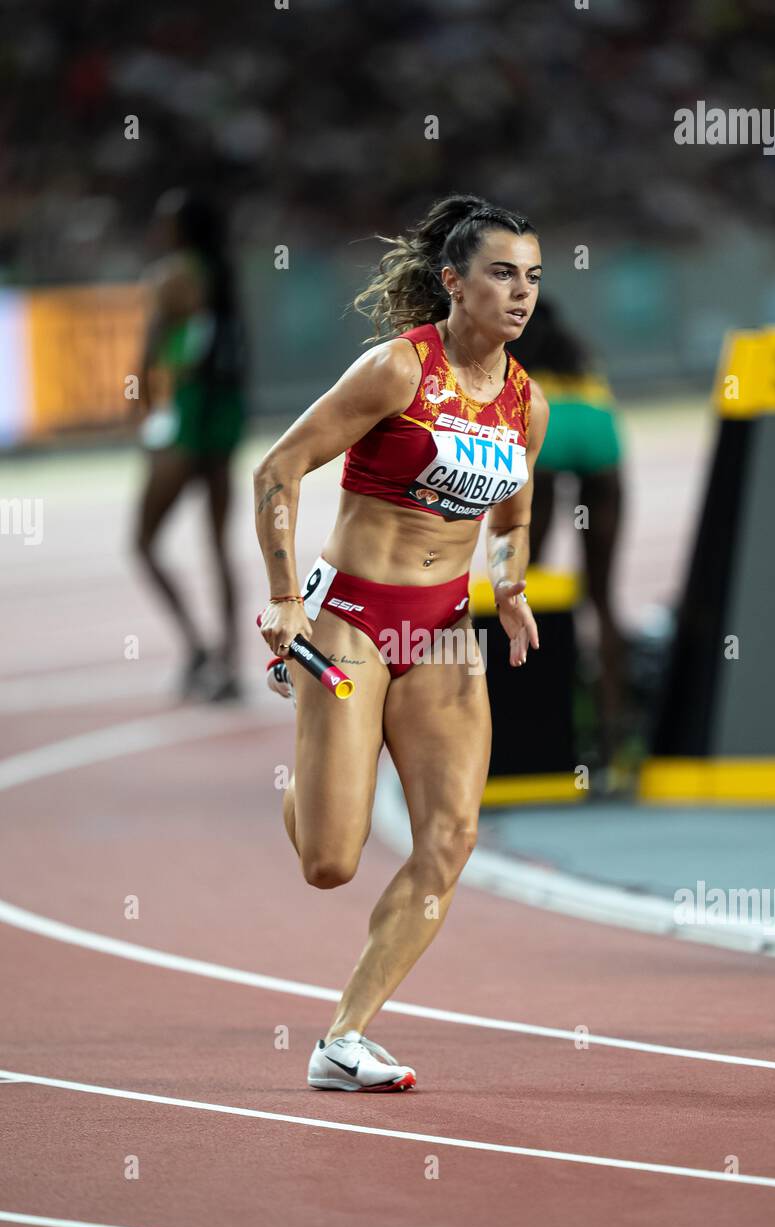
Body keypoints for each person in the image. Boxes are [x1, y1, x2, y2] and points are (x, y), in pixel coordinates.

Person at [254, 193, 549, 1092]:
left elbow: (515, 515)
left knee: (451, 837)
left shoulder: (527, 403)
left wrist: (512, 586)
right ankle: (309, 766)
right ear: (452, 283)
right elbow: (279, 468)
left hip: (448, 634)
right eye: (502, 274)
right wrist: (281, 599)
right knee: (330, 863)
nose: (522, 293)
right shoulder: (394, 371)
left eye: (533, 277)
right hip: (350, 621)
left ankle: (344, 1038)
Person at [133, 188, 248, 700]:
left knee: (143, 542)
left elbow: (147, 360)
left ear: (181, 229)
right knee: (219, 546)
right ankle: (228, 664)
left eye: (164, 220)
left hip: (187, 420)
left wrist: (143, 423)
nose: (157, 229)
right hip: (224, 421)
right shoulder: (225, 275)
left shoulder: (172, 276)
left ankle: (197, 648)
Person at [512, 298, 626, 772]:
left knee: (524, 586)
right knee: (601, 597)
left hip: (547, 428)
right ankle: (615, 733)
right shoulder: (581, 356)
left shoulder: (512, 357)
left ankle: (533, 722)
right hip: (600, 435)